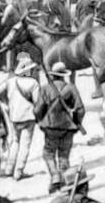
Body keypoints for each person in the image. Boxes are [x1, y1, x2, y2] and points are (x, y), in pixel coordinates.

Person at [33, 62, 84, 193]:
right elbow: (80, 109)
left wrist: (40, 121)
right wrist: (77, 123)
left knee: (48, 153)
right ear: (63, 76)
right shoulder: (71, 88)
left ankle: (55, 176)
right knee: (64, 155)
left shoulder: (45, 88)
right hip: (68, 127)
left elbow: (38, 109)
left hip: (50, 126)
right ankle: (65, 182)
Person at [1, 54, 40, 179]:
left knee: (14, 142)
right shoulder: (33, 83)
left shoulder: (11, 81)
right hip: (28, 117)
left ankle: (8, 168)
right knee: (25, 145)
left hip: (14, 116)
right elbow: (37, 101)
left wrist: (7, 104)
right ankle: (18, 171)